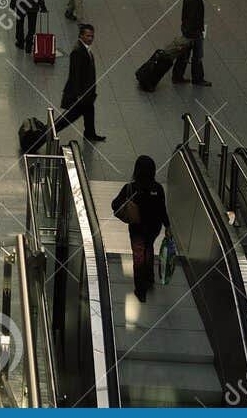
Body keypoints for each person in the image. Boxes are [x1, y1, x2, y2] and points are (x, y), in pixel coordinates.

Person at [111, 155, 169, 302]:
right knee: (148, 249)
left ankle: (140, 289)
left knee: (138, 256)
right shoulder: (158, 188)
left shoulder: (130, 188)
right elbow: (162, 209)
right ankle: (149, 278)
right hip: (154, 228)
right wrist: (168, 226)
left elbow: (115, 205)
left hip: (137, 229)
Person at [54, 24, 105, 142]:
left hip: (86, 93)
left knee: (89, 112)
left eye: (92, 36)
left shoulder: (84, 49)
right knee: (68, 118)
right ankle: (47, 132)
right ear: (81, 36)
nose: (91, 38)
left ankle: (90, 133)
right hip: (81, 94)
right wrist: (78, 95)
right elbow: (75, 75)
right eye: (88, 36)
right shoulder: (78, 51)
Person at [172, 0, 212, 87]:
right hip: (194, 32)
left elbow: (185, 15)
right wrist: (195, 33)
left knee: (184, 54)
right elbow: (194, 17)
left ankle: (177, 76)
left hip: (187, 29)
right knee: (197, 56)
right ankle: (198, 78)